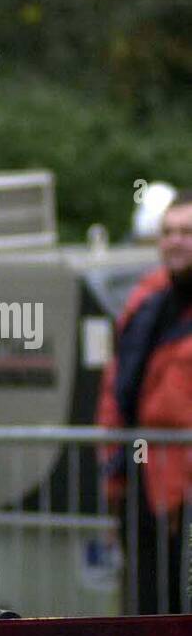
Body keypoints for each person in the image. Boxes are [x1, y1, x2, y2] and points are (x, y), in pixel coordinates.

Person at [97, 190, 192, 614]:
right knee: (148, 608)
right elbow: (119, 395)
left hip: (179, 480)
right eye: (168, 231)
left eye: (187, 232)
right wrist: (114, 475)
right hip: (146, 477)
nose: (175, 240)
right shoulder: (150, 307)